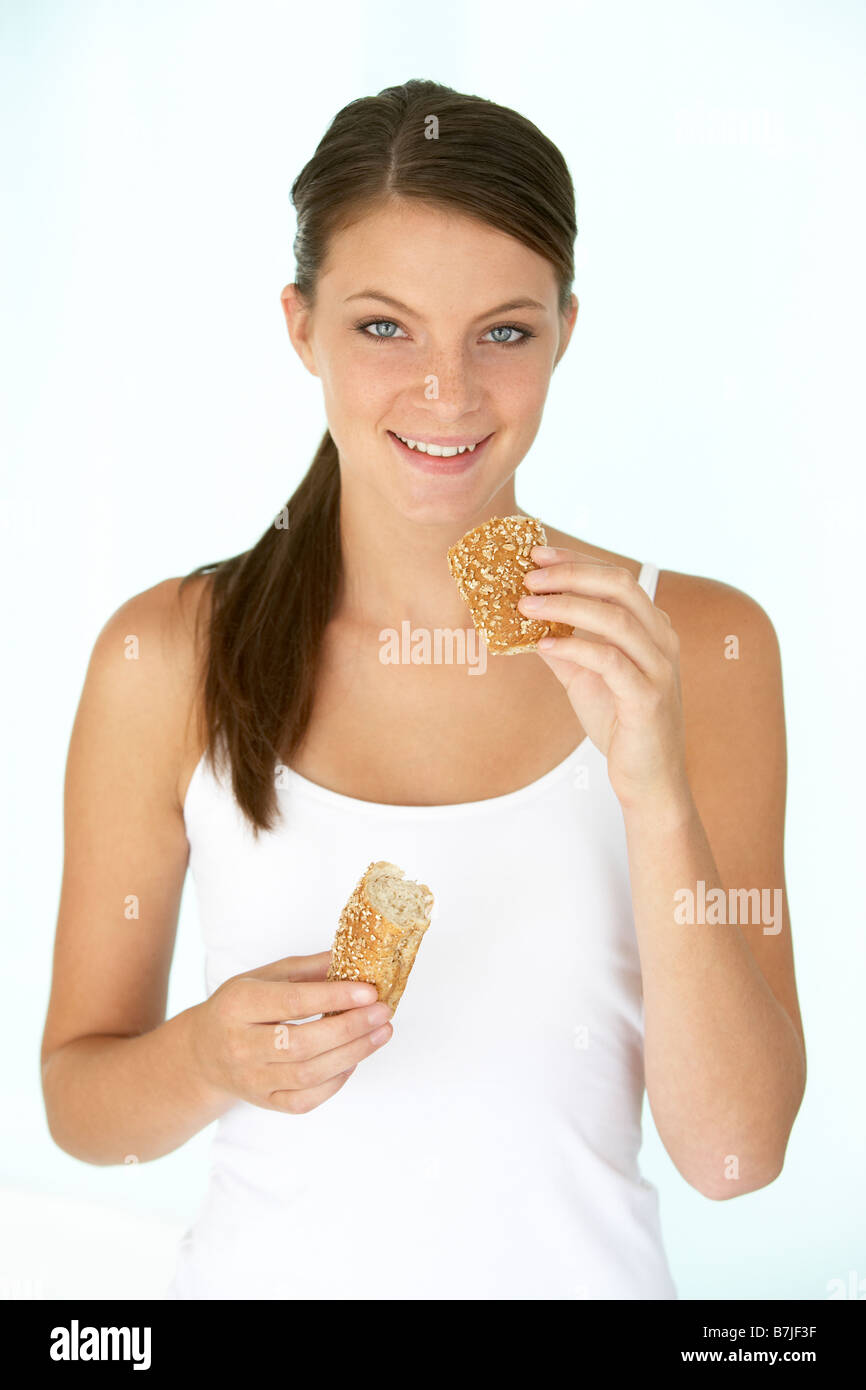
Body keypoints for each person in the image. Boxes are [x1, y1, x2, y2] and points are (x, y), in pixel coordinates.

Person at [40, 78, 806, 1300]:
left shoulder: (696, 645)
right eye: (382, 327)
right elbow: (84, 1112)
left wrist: (653, 790)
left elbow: (735, 1155)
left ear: (564, 327)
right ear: (300, 326)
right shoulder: (170, 654)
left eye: (502, 332)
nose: (446, 395)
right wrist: (209, 1056)